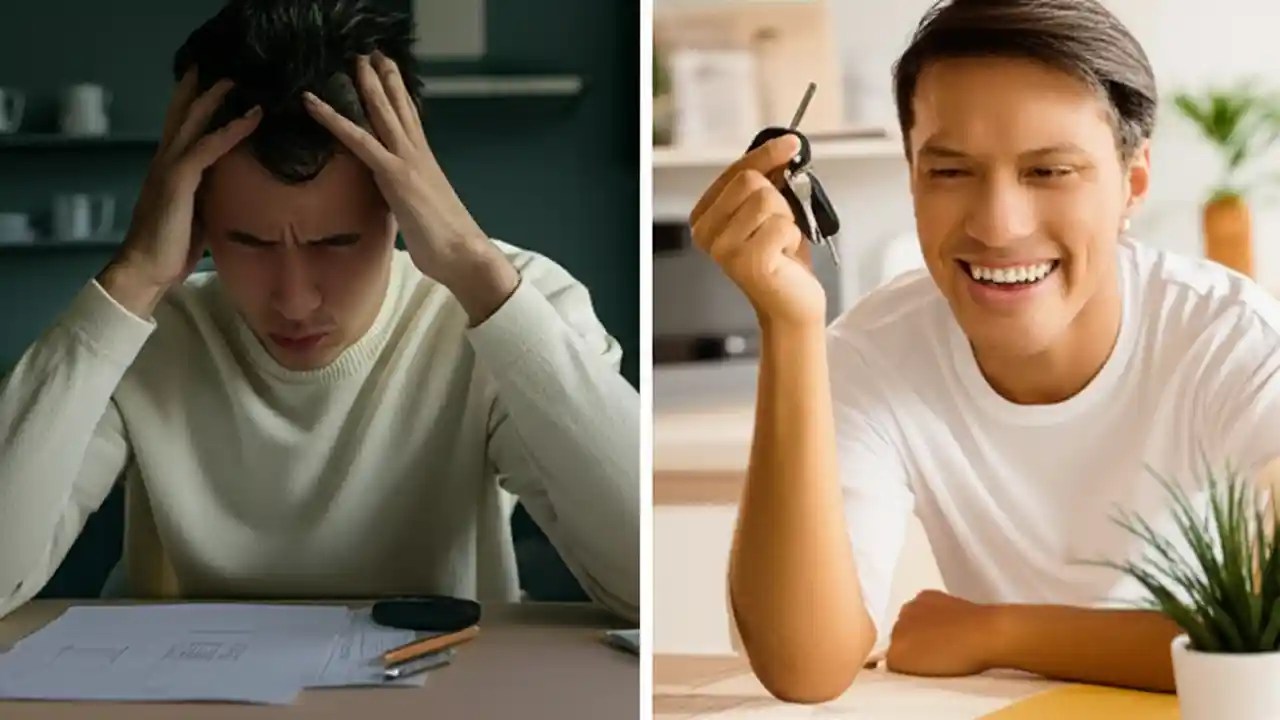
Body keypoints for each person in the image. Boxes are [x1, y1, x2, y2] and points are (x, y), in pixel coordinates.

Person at [691, 0, 1280, 703]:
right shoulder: (871, 355)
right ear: (911, 177)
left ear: (1134, 183)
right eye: (950, 172)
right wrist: (788, 328)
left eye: (1050, 172)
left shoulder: (1231, 338)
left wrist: (997, 632)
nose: (999, 227)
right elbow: (803, 666)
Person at [0, 0, 639, 623]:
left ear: (403, 210)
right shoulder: (144, 330)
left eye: (337, 242)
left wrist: (475, 269)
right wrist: (132, 279)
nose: (295, 300)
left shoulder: (511, 308)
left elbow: (646, 586)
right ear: (195, 219)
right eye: (246, 242)